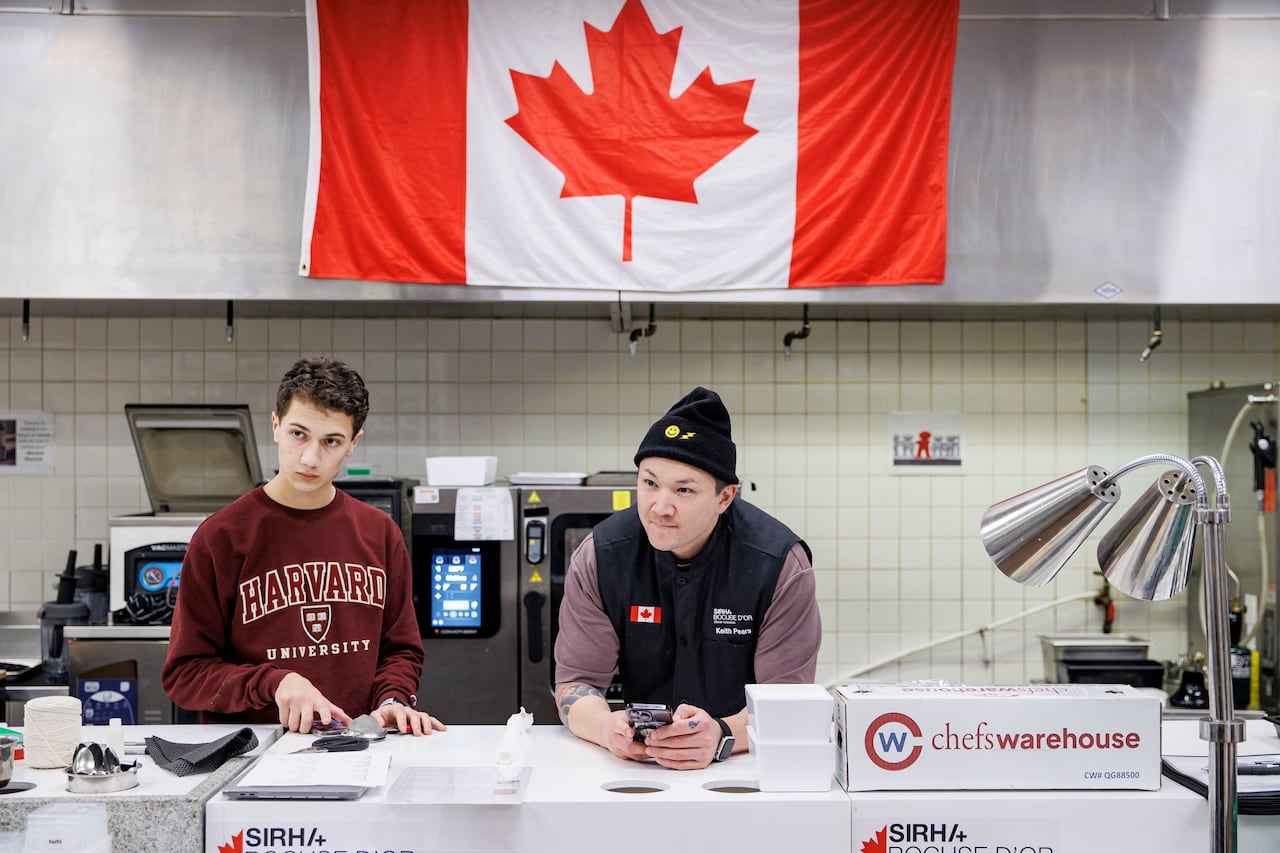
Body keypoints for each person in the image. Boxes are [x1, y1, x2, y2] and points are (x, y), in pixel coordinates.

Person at [162, 357, 443, 736]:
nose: (311, 458)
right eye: (299, 434)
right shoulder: (221, 537)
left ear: (353, 444)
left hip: (359, 749)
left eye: (331, 441)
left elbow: (400, 651)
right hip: (252, 756)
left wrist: (393, 699)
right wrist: (275, 683)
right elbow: (185, 673)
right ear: (276, 425)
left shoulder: (380, 533)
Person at [554, 386, 821, 769]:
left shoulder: (779, 565)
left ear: (724, 498)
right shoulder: (601, 556)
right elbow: (575, 682)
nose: (660, 507)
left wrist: (722, 735)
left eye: (684, 490)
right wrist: (604, 727)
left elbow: (788, 702)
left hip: (744, 769)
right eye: (649, 483)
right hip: (638, 770)